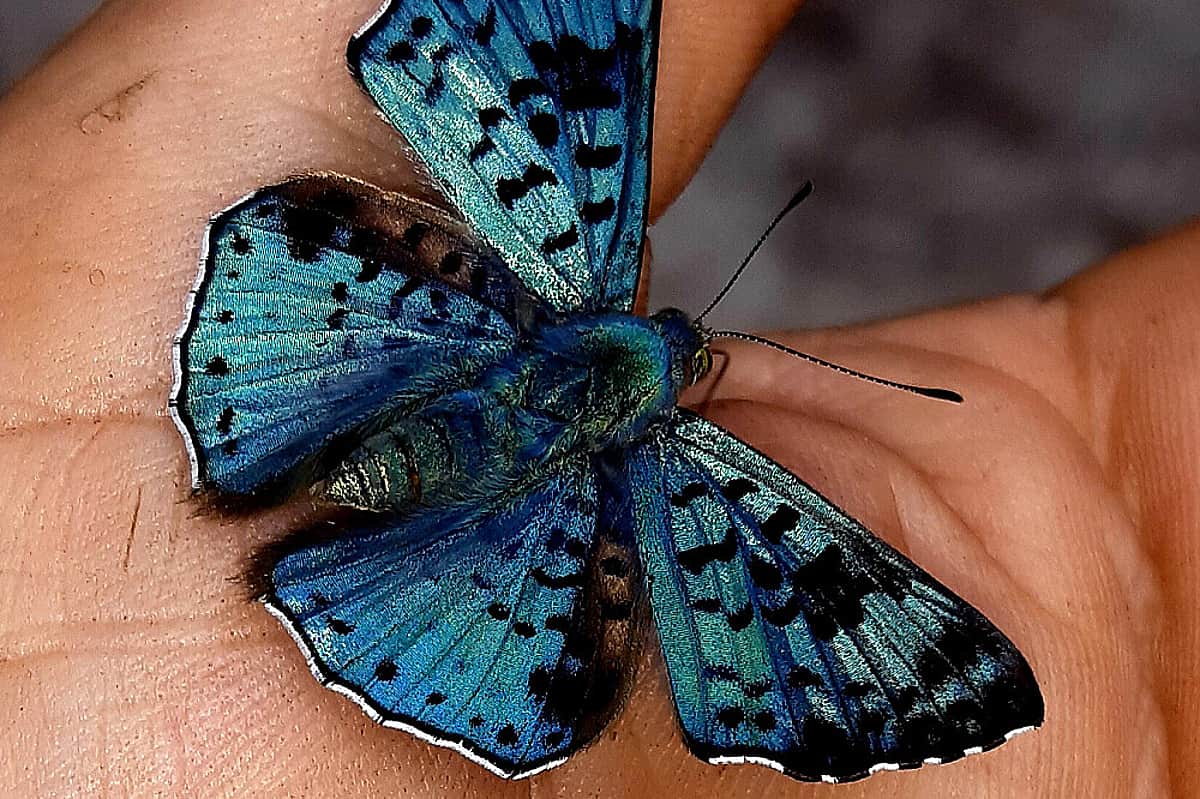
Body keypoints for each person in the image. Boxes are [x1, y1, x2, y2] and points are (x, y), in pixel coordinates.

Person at [0, 0, 1187, 795]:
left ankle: (276, 415)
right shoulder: (694, 472)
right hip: (515, 570)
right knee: (581, 638)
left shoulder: (583, 248)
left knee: (352, 240)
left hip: (362, 323)